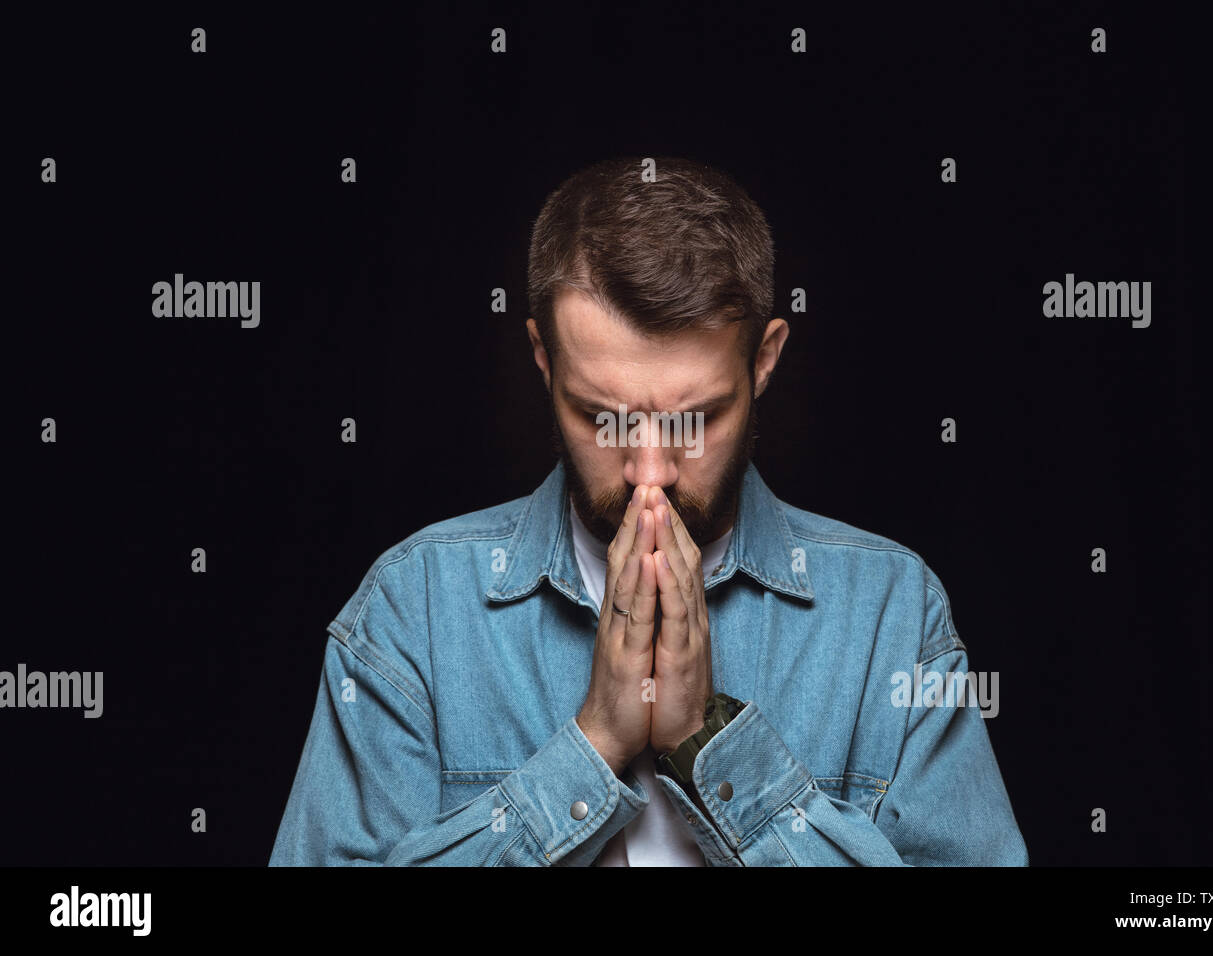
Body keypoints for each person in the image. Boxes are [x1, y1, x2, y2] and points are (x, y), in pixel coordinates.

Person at [269, 156, 1028, 866]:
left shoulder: (891, 616)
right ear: (543, 359)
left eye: (695, 420)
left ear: (764, 361)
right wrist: (591, 746)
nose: (651, 475)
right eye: (603, 419)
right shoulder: (414, 610)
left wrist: (712, 747)